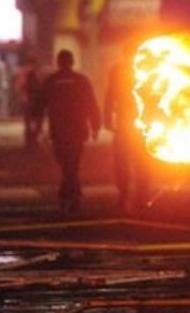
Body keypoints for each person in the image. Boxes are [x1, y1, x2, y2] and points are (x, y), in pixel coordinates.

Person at [33, 49, 101, 212]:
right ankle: (71, 195)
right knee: (73, 163)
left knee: (65, 163)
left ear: (58, 62)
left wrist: (37, 126)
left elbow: (39, 105)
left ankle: (68, 195)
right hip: (78, 129)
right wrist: (95, 126)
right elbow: (91, 104)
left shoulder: (51, 81)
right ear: (72, 62)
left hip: (59, 129)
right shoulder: (81, 81)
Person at [103, 47, 146, 216]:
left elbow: (109, 96)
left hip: (130, 122)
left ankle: (130, 194)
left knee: (126, 160)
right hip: (135, 122)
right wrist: (107, 118)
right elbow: (110, 95)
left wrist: (107, 119)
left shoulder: (119, 69)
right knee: (137, 160)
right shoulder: (143, 68)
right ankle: (138, 195)